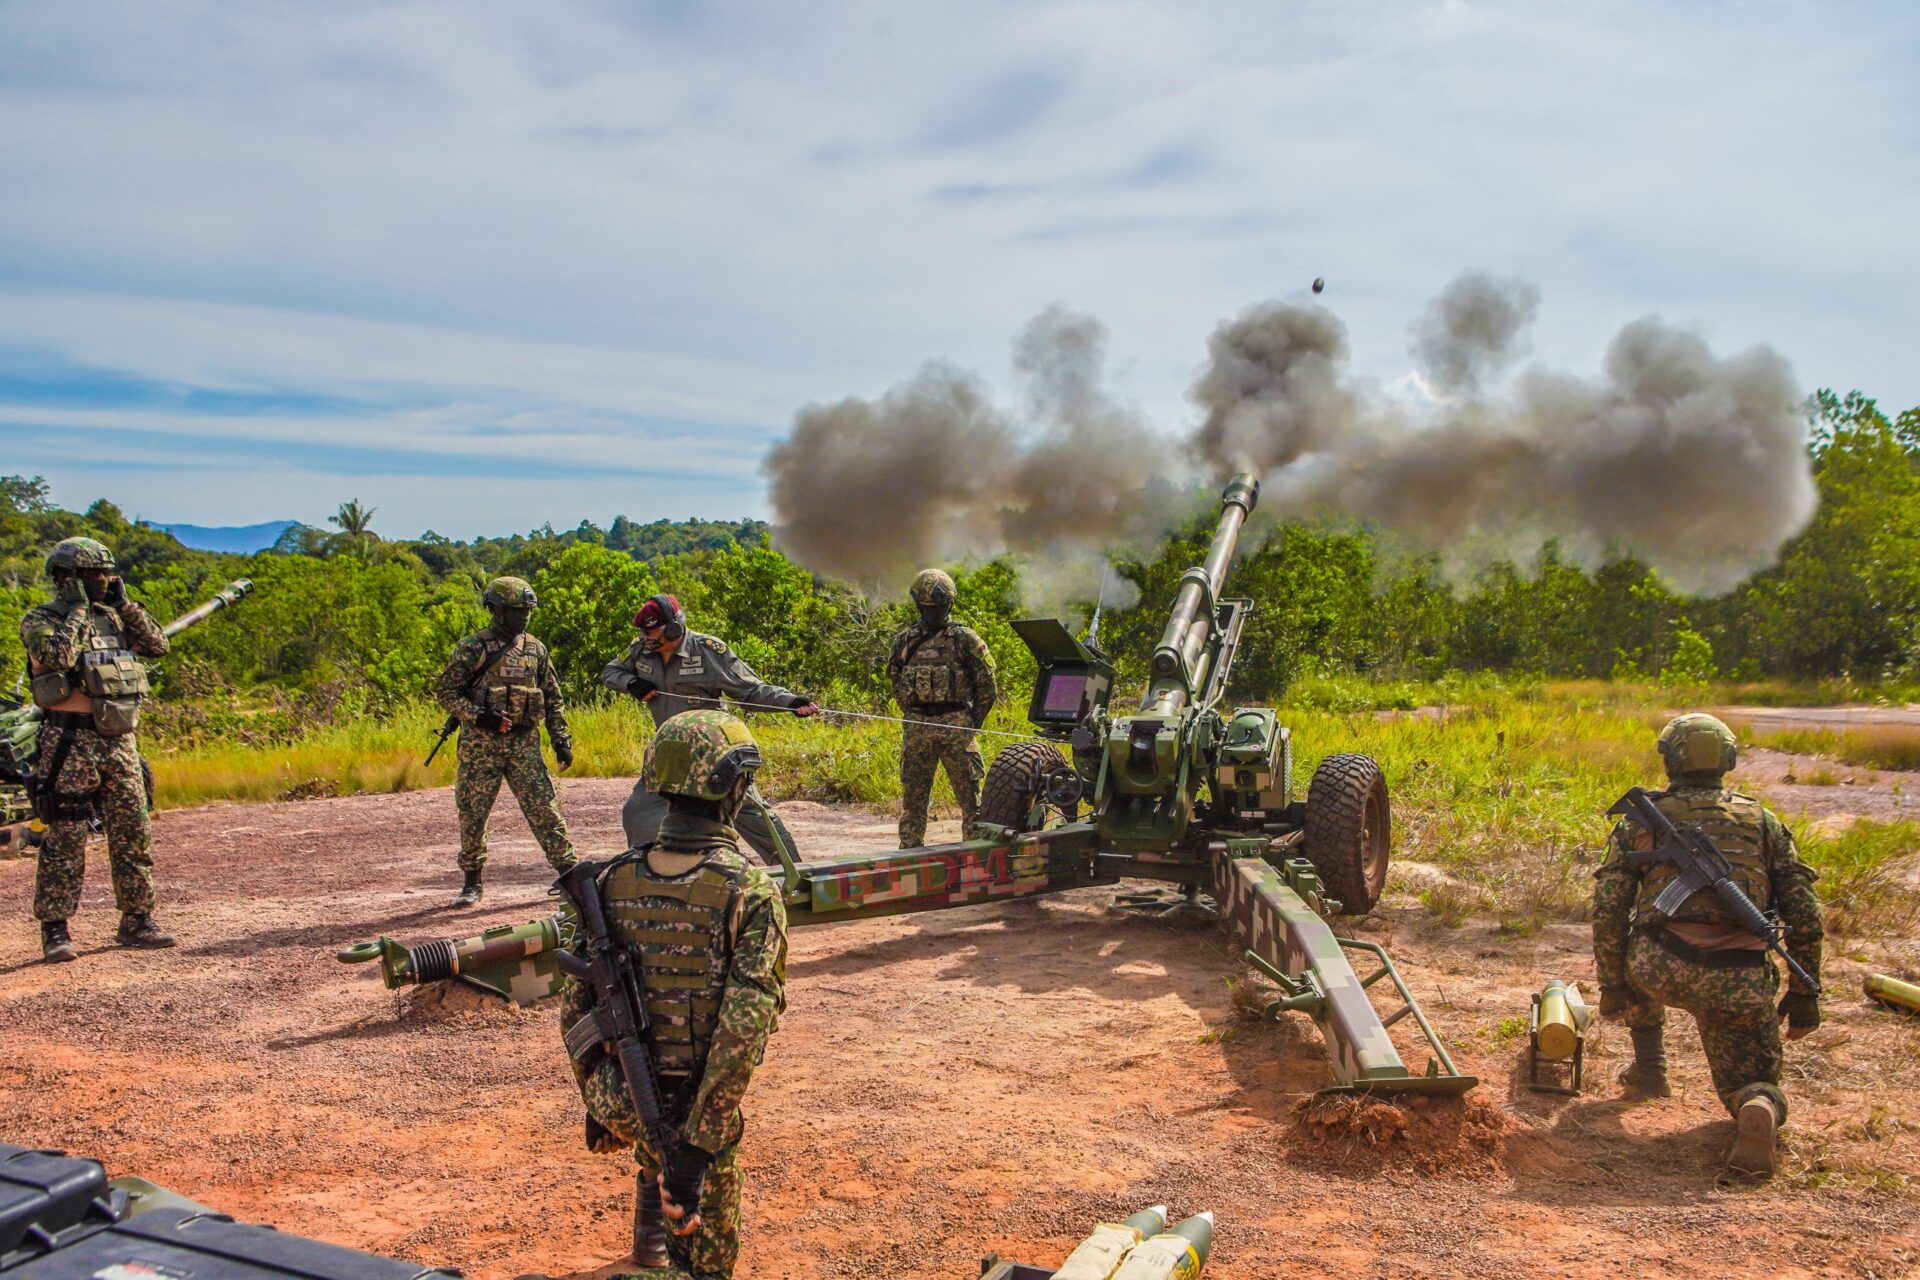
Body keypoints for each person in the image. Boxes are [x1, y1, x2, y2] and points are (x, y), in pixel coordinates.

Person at [558, 710, 787, 1279]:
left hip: (631, 1100)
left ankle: (650, 1249)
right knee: (706, 1266)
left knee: (653, 1173)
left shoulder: (609, 882)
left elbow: (576, 1011)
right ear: (732, 788)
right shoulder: (749, 891)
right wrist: (699, 1148)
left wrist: (604, 1099)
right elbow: (741, 1033)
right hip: (694, 1112)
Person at [1592, 713, 1824, 1178]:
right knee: (1751, 1079)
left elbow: (1610, 909)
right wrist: (1803, 994)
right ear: (1728, 759)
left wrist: (1613, 985)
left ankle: (1650, 1068)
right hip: (1737, 981)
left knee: (1640, 938)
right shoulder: (1763, 822)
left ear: (1671, 759)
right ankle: (1756, 1103)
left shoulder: (1642, 822)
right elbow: (1806, 915)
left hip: (1657, 968)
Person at [20, 537, 172, 961]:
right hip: (70, 741)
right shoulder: (42, 619)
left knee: (132, 830)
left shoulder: (114, 616)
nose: (104, 580)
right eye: (94, 574)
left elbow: (158, 645)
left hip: (119, 740)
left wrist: (127, 607)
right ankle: (56, 928)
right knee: (65, 835)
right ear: (68, 579)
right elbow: (57, 657)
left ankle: (137, 919)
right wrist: (79, 611)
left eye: (107, 572)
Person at [601, 594, 817, 866]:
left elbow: (751, 690)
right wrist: (631, 683)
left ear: (673, 628)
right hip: (670, 749)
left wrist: (790, 703)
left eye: (650, 631)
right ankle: (650, 871)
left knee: (750, 812)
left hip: (713, 752)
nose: (644, 637)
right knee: (639, 812)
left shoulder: (709, 651)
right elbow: (610, 672)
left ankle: (792, 872)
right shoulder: (640, 650)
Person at [434, 576, 575, 906]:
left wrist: (561, 740)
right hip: (481, 746)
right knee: (472, 814)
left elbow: (553, 698)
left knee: (545, 810)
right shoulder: (473, 647)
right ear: (496, 610)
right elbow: (447, 692)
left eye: (527, 611)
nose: (524, 617)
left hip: (524, 744)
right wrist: (479, 716)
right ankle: (472, 881)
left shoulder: (535, 649)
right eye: (516, 611)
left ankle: (570, 875)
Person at [886, 569, 997, 848]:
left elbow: (987, 685)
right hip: (920, 727)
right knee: (913, 800)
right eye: (929, 606)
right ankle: (909, 853)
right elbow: (896, 680)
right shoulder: (905, 641)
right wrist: (915, 713)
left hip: (954, 725)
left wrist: (969, 722)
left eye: (939, 606)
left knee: (972, 802)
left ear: (949, 604)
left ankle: (976, 855)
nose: (934, 611)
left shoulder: (964, 639)